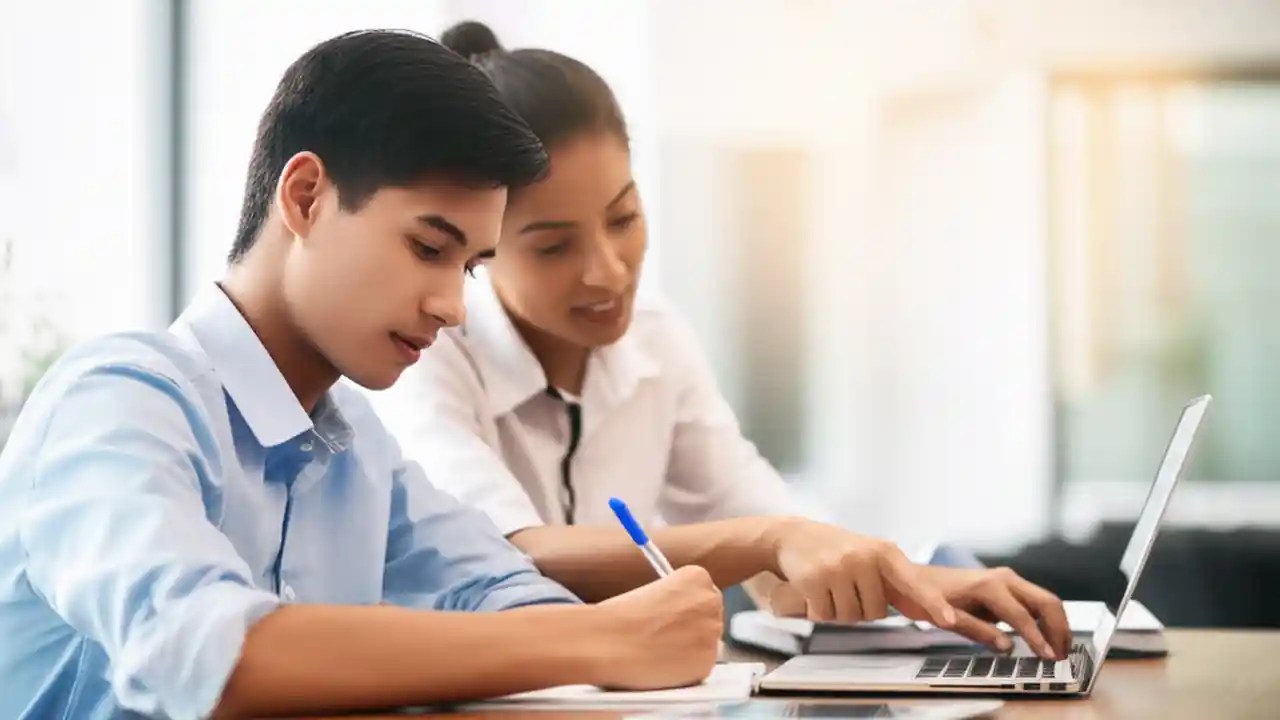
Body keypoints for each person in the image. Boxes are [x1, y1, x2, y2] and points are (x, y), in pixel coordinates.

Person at [0, 30, 729, 720]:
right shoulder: (117, 401)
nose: (452, 308)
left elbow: (508, 594)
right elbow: (209, 653)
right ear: (307, 196)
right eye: (427, 248)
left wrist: (609, 635)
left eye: (471, 266)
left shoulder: (358, 453)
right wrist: (605, 639)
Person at [374, 20, 1072, 663]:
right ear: (483, 244)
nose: (609, 270)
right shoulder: (428, 355)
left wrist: (917, 584)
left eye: (624, 218)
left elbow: (768, 546)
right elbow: (512, 558)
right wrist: (770, 541)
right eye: (555, 246)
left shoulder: (654, 340)